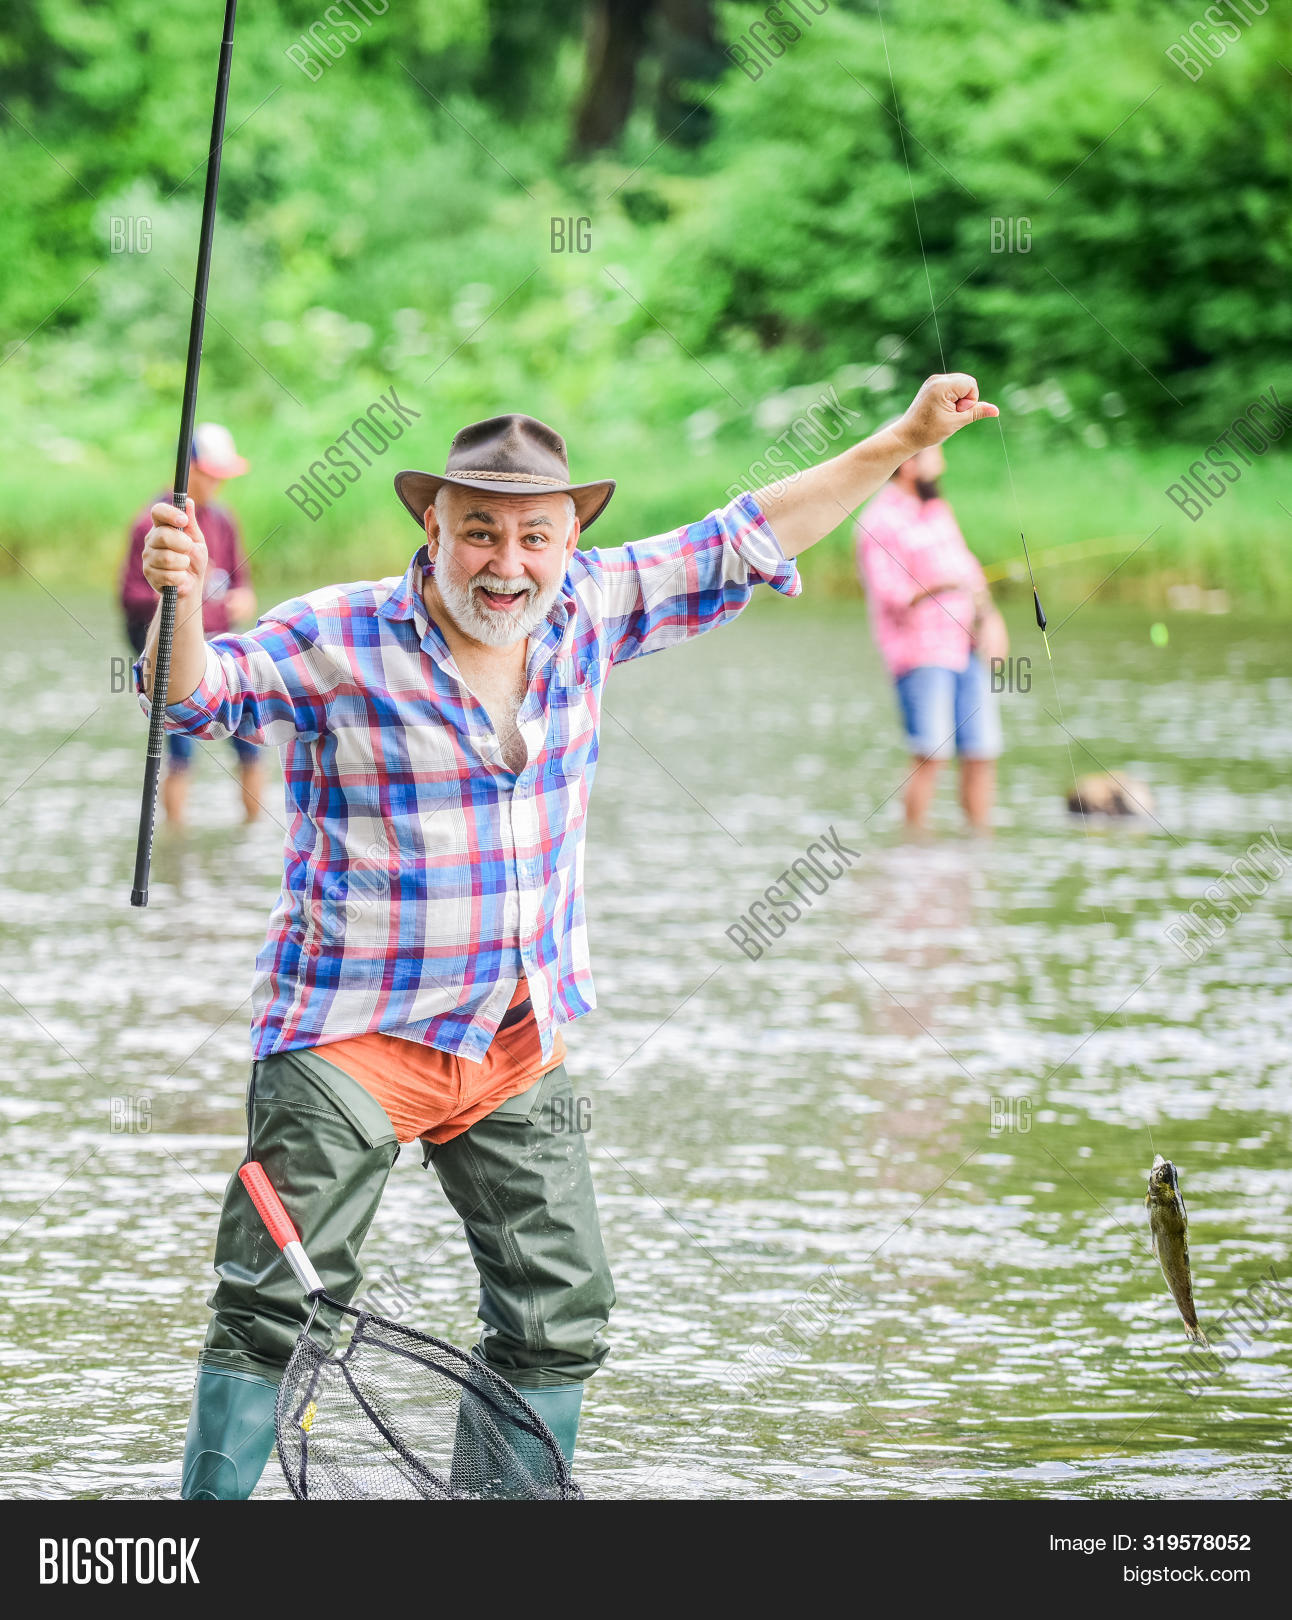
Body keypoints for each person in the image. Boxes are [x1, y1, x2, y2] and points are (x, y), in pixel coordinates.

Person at [136, 375, 998, 1499]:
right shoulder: (340, 633)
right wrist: (183, 600)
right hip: (347, 1041)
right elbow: (196, 697)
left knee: (558, 1314)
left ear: (568, 538)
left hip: (508, 1041)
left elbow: (746, 535)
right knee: (272, 1314)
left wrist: (901, 438)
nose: (507, 562)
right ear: (430, 526)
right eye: (479, 530)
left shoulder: (589, 607)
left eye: (534, 535)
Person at [856, 440, 1007, 833]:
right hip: (920, 654)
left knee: (981, 751)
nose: (941, 465)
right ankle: (914, 848)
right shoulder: (879, 522)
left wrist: (991, 619)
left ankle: (979, 845)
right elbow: (891, 597)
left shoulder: (938, 511)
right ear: (908, 464)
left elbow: (970, 572)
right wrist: (938, 586)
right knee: (931, 755)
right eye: (934, 456)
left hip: (966, 647)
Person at [121, 421, 264, 824]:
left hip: (222, 645)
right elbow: (130, 599)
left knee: (250, 740)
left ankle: (251, 829)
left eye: (223, 478)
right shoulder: (151, 525)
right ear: (189, 469)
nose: (217, 487)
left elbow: (243, 583)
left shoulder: (224, 520)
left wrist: (240, 598)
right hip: (173, 648)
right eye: (211, 476)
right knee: (180, 747)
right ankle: (175, 834)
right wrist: (179, 600)